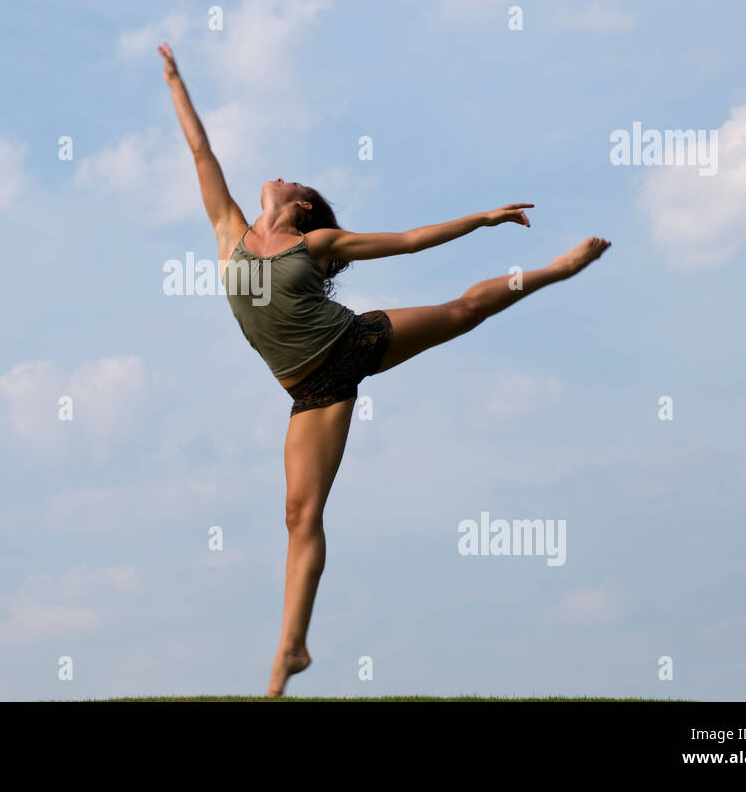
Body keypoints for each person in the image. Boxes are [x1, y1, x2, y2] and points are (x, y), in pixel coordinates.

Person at [158, 42, 611, 696]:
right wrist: (175, 80)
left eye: (291, 179)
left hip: (352, 342)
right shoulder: (229, 230)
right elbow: (201, 152)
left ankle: (559, 268)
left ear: (302, 205)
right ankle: (293, 649)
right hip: (310, 388)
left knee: (460, 312)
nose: (279, 174)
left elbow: (405, 240)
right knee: (297, 512)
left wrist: (480, 219)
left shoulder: (316, 243)